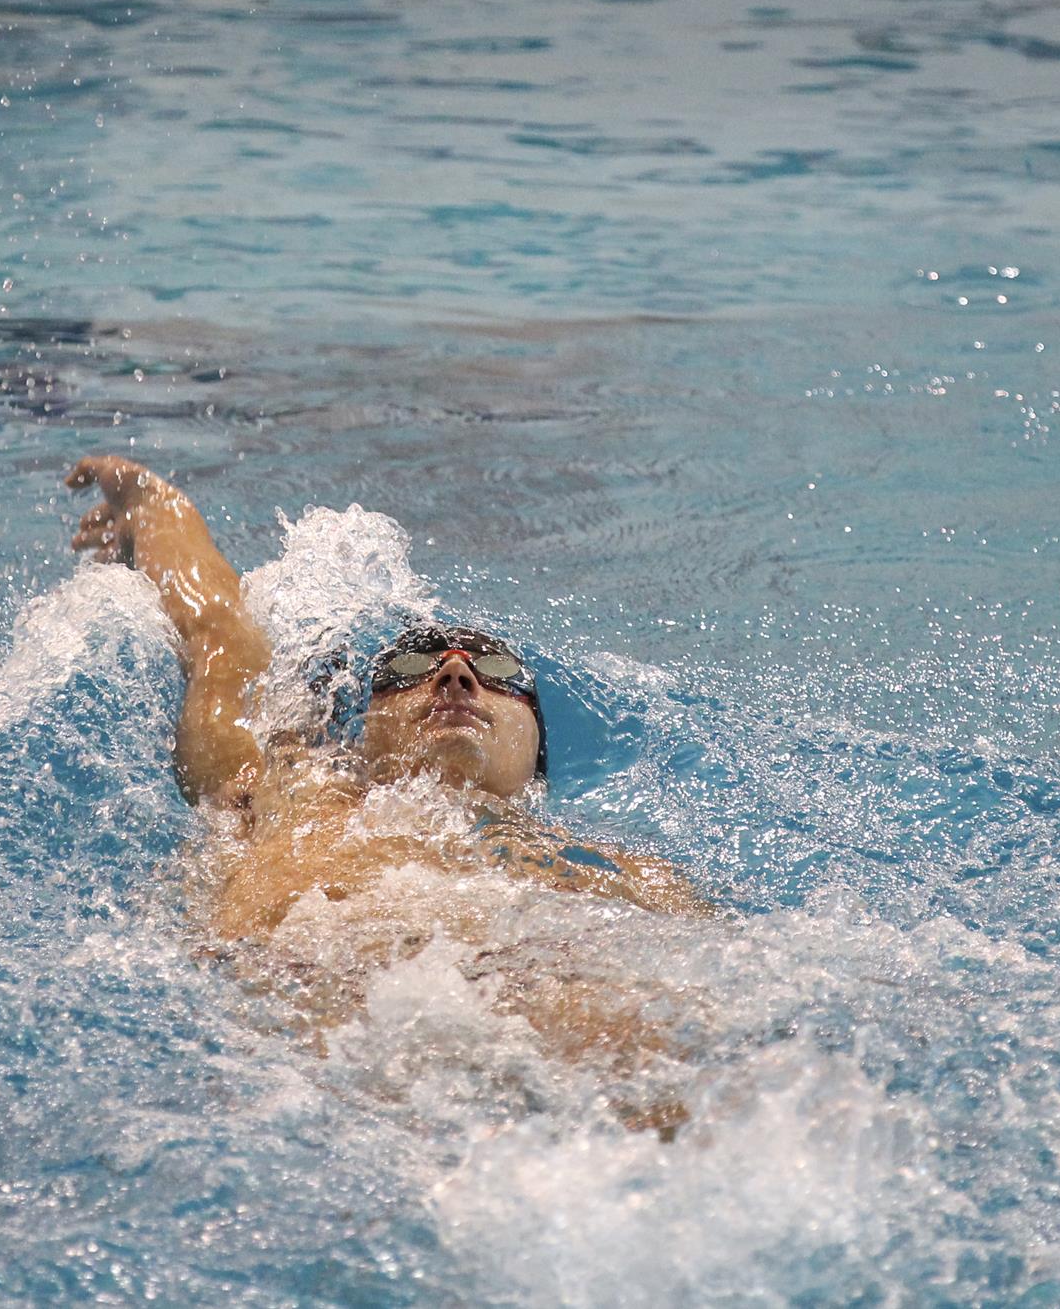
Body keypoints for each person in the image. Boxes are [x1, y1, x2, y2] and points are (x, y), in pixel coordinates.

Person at [66, 456, 706, 1124]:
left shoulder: (624, 876)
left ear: (536, 758)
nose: (456, 674)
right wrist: (151, 504)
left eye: (495, 668)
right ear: (366, 729)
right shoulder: (282, 781)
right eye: (411, 664)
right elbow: (219, 633)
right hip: (315, 1030)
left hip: (531, 1012)